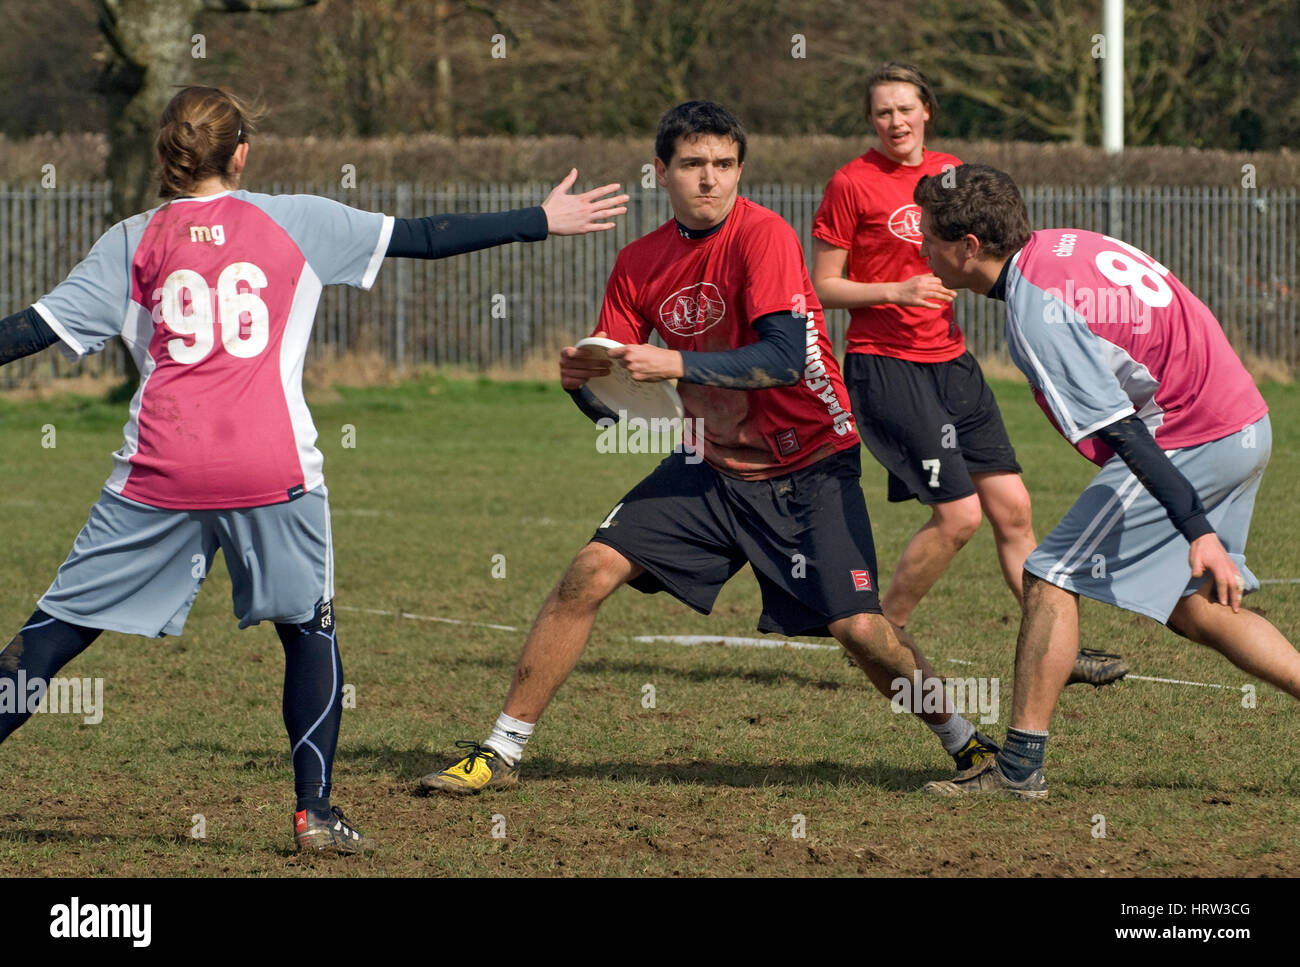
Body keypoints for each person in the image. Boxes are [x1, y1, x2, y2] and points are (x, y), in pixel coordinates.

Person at [0, 86, 628, 852]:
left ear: (167, 157)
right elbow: (427, 236)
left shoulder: (131, 239)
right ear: (241, 154)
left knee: (51, 636)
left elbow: (31, 330)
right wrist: (539, 220)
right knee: (308, 631)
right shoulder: (299, 219)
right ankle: (315, 813)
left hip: (161, 469)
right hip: (272, 466)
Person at [420, 100, 999, 797]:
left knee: (859, 629)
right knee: (589, 572)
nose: (709, 179)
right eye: (693, 164)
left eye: (724, 165)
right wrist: (583, 382)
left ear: (740, 171)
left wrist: (677, 366)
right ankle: (500, 752)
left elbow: (784, 359)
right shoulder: (638, 263)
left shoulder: (765, 236)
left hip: (811, 460)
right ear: (661, 171)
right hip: (714, 461)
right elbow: (617, 402)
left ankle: (967, 746)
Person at [911, 163, 1300, 798]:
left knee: (1049, 574)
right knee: (1195, 607)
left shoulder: (1037, 312)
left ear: (969, 248)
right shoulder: (1064, 244)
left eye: (928, 236)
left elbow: (1125, 434)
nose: (921, 249)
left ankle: (1017, 773)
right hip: (1244, 421)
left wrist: (1195, 528)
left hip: (1193, 436)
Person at [809, 62, 1125, 687]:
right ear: (870, 120)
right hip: (885, 366)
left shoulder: (954, 176)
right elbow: (820, 287)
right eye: (882, 112)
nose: (895, 121)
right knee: (959, 516)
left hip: (951, 363)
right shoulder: (850, 183)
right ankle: (880, 635)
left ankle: (1060, 645)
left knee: (1012, 510)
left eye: (905, 108)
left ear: (927, 110)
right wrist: (896, 289)